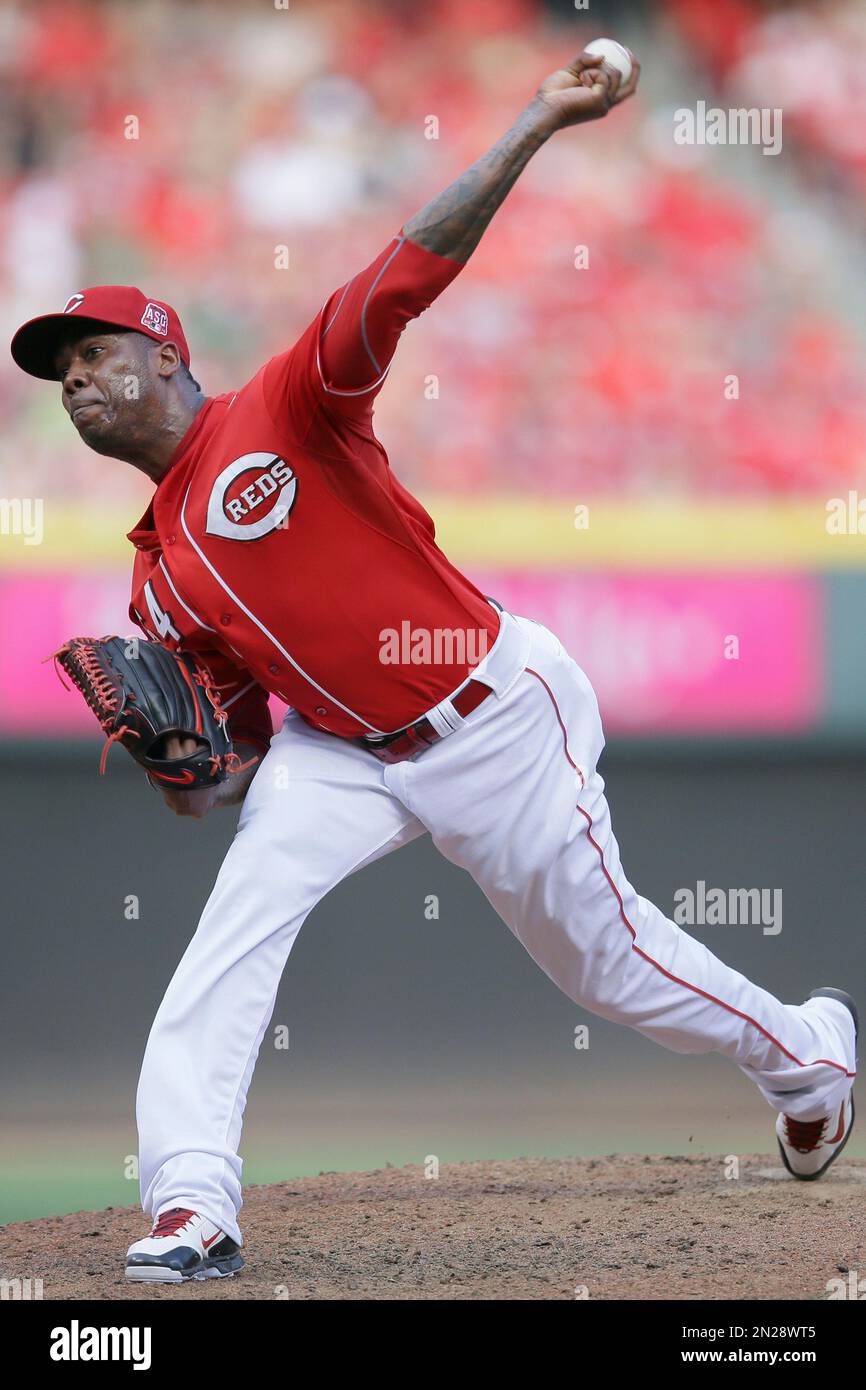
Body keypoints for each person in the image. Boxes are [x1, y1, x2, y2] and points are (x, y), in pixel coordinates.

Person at [11, 48, 857, 1284]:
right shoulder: (155, 577)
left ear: (168, 357)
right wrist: (177, 769)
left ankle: (808, 1057)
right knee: (230, 934)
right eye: (60, 369)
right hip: (335, 753)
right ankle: (193, 1203)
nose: (77, 378)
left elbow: (408, 269)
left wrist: (534, 121)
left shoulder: (284, 407)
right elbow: (224, 772)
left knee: (603, 967)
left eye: (94, 352)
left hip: (494, 716)